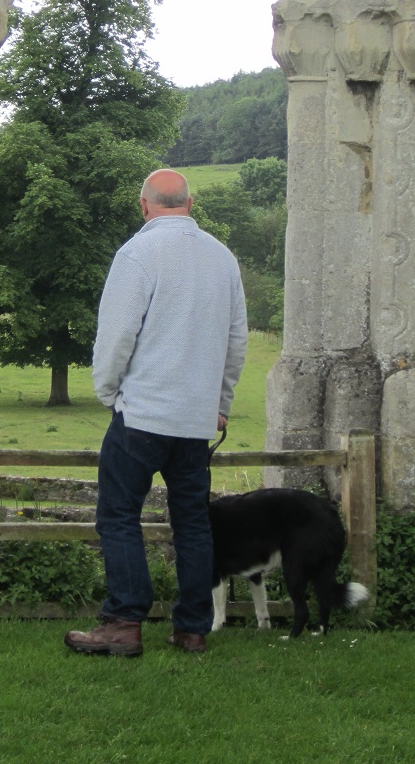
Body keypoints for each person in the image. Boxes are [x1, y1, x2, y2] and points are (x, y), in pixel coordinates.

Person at [65, 168, 247, 657]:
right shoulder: (222, 258)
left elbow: (117, 337)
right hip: (195, 421)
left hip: (142, 414)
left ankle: (124, 622)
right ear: (190, 204)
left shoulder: (137, 254)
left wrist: (109, 395)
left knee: (119, 515)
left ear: (144, 205)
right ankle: (192, 629)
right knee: (192, 523)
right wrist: (220, 404)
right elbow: (236, 342)